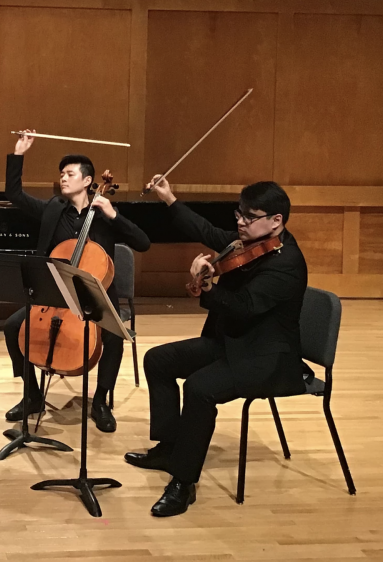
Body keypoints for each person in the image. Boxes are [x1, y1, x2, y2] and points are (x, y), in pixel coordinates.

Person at [125, 175, 307, 517]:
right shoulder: (248, 243)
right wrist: (169, 198)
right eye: (239, 214)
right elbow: (208, 232)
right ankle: (169, 447)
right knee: (158, 360)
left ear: (276, 221)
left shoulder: (286, 264)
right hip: (234, 342)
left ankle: (183, 483)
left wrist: (208, 287)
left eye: (248, 217)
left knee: (200, 387)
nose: (239, 221)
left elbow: (245, 306)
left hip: (266, 357)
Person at [1, 130, 151, 433]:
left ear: (87, 181)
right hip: (56, 295)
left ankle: (100, 402)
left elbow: (143, 242)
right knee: (13, 326)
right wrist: (18, 154)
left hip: (96, 297)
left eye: (70, 174)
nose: (63, 179)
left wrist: (113, 213)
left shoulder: (105, 216)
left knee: (114, 337)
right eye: (61, 174)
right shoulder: (53, 208)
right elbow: (14, 194)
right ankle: (32, 396)